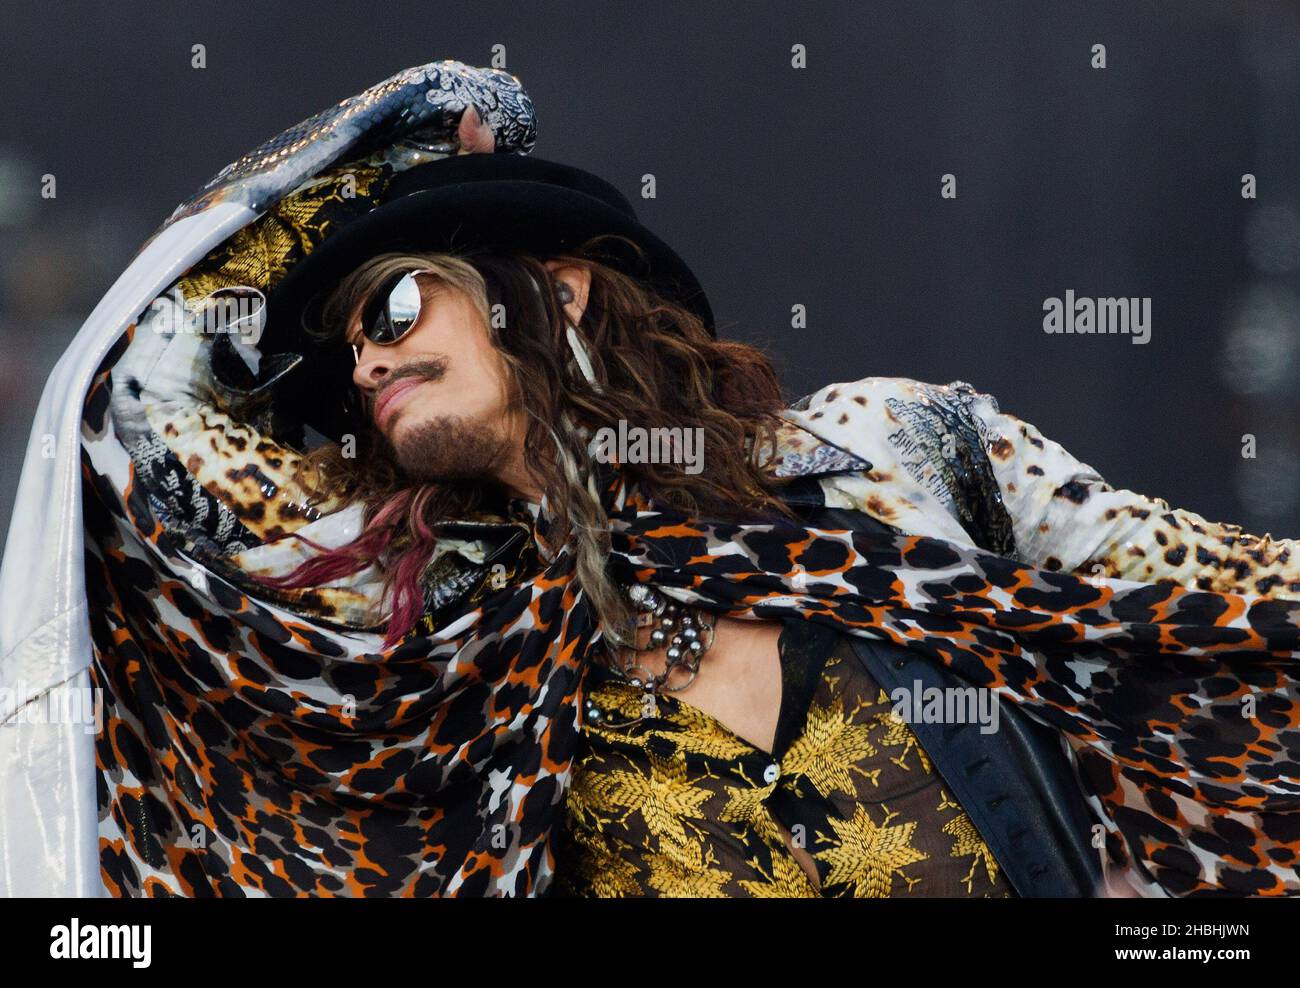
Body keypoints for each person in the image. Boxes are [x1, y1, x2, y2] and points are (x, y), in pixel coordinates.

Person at [10, 59, 1300, 899]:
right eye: (349, 349)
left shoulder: (900, 452)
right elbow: (139, 396)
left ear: (559, 292)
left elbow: (1236, 600)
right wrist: (389, 140)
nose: (368, 356)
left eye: (396, 303)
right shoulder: (452, 636)